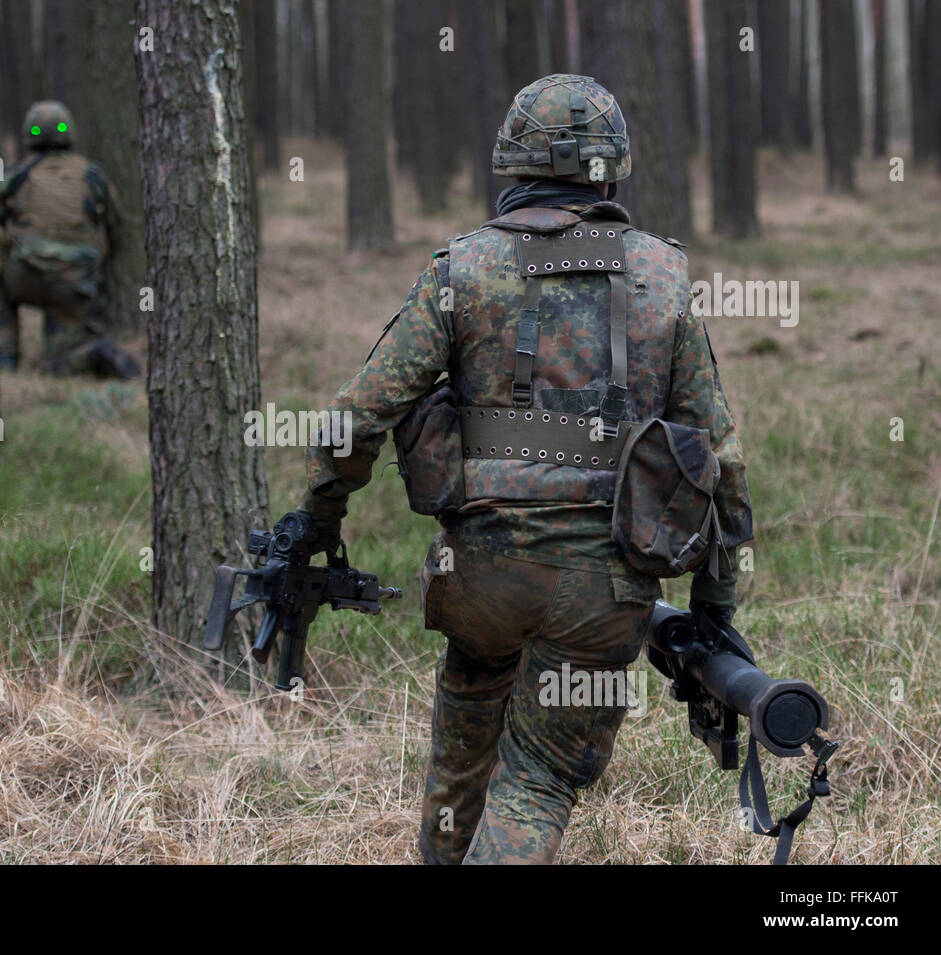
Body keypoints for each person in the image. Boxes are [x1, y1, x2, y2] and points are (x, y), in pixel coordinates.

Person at [297, 74, 753, 863]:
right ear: (609, 171)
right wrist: (713, 606)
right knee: (536, 780)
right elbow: (725, 460)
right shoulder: (661, 275)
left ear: (514, 164)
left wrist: (317, 519)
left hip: (478, 577)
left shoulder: (462, 269)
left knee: (460, 764)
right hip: (604, 592)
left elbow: (356, 417)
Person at [0, 100, 138, 379]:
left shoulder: (17, 175)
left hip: (24, 275)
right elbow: (117, 224)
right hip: (73, 279)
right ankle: (87, 355)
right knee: (61, 361)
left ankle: (3, 359)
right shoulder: (92, 174)